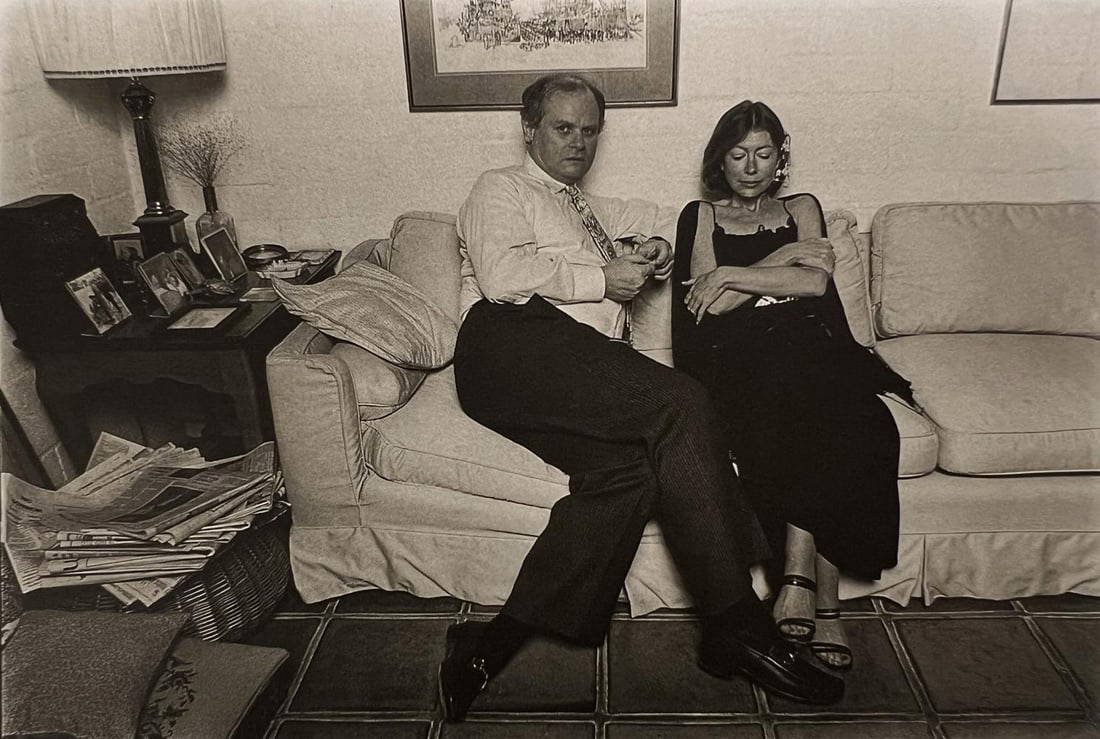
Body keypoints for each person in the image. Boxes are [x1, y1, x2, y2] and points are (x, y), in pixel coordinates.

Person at [440, 74, 843, 722]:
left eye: (591, 130)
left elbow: (677, 221)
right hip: (508, 344)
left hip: (571, 364)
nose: (579, 142)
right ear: (528, 129)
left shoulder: (581, 206)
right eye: (563, 128)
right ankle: (735, 622)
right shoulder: (501, 189)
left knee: (627, 475)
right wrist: (603, 276)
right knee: (683, 401)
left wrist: (655, 249)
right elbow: (505, 278)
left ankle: (487, 644)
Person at [672, 101, 913, 671]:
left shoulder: (804, 205)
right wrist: (776, 260)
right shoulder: (699, 214)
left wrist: (735, 273)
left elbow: (817, 281)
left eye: (763, 153)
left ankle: (803, 578)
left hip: (814, 344)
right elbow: (709, 306)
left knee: (859, 420)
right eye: (738, 155)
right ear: (720, 161)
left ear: (780, 157)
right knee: (801, 395)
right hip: (740, 355)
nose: (751, 166)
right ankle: (824, 603)